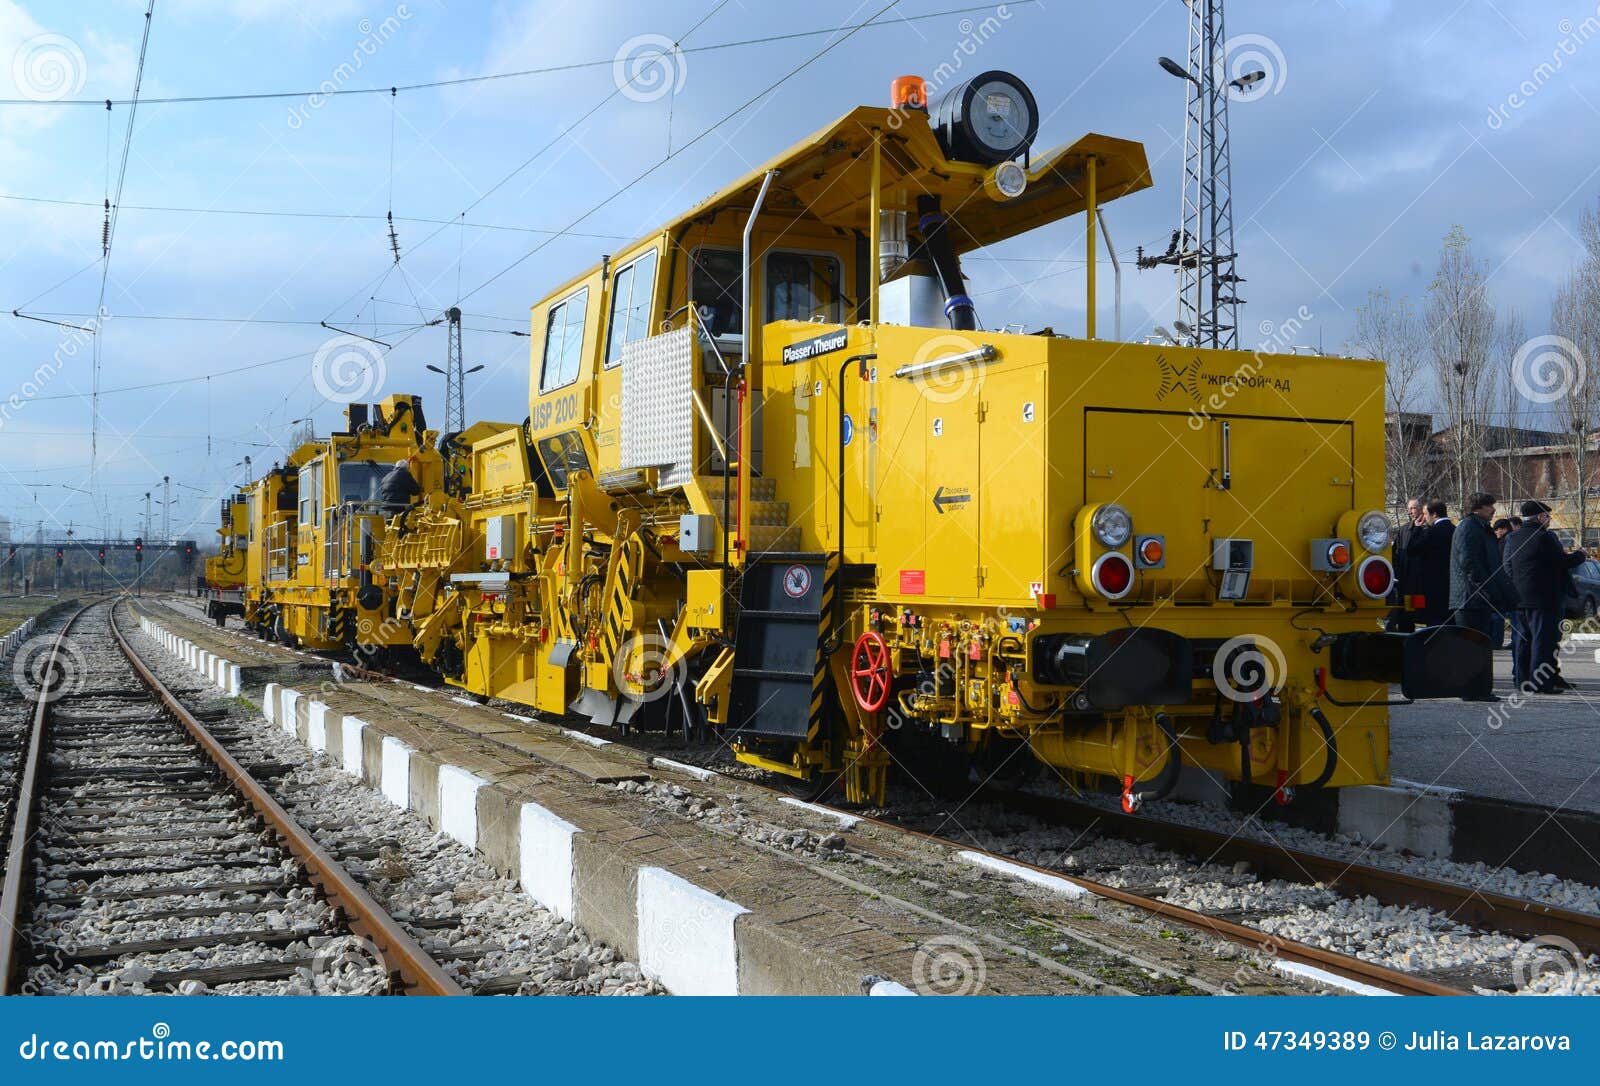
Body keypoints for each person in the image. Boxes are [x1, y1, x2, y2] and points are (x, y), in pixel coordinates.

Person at [1503, 501, 1586, 694]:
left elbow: (1507, 565)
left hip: (1519, 598)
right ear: (1540, 517)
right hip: (1544, 598)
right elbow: (1561, 562)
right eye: (1547, 517)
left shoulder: (1512, 537)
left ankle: (1522, 681)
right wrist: (1580, 555)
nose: (1549, 521)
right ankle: (1541, 683)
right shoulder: (1545, 537)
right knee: (1543, 642)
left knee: (1523, 641)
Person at [1450, 493, 1514, 696]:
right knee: (1471, 648)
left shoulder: (1480, 527)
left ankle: (1479, 689)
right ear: (1477, 508)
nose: (1493, 509)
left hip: (1479, 598)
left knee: (1480, 647)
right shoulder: (1468, 527)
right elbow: (1469, 563)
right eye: (1489, 506)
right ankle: (1472, 690)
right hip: (1469, 599)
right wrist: (1487, 589)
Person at [1405, 499, 1454, 627]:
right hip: (1452, 585)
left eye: (1426, 514)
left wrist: (1416, 529)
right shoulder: (1455, 530)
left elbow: (1411, 549)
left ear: (1434, 514)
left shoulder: (1431, 532)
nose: (1424, 517)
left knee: (1435, 624)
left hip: (1433, 585)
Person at [1388, 497, 1426, 632]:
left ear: (1422, 509)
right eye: (1409, 508)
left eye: (1413, 508)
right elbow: (1396, 553)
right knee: (1406, 615)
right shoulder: (1404, 530)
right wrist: (1397, 572)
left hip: (1422, 582)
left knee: (1421, 614)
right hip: (1406, 582)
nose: (1410, 512)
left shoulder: (1427, 529)